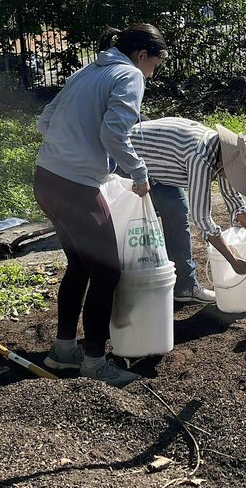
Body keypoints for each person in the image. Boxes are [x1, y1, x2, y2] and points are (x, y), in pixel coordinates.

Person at [33, 23, 168, 385]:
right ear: (142, 55)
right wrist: (139, 173)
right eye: (154, 65)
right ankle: (94, 363)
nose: (152, 74)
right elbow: (113, 133)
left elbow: (45, 121)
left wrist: (74, 151)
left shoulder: (88, 71)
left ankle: (64, 351)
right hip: (75, 187)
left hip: (46, 178)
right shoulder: (129, 75)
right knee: (107, 271)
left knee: (80, 265)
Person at [127, 117, 246, 303]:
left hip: (160, 165)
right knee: (133, 223)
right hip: (127, 158)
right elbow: (201, 218)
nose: (234, 176)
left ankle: (184, 286)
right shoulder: (200, 156)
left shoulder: (223, 153)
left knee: (177, 210)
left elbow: (233, 199)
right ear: (228, 162)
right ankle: (134, 289)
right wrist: (232, 260)